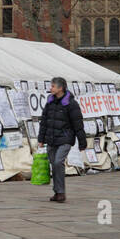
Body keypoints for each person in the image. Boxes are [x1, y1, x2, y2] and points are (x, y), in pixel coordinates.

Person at [37, 76, 87, 204]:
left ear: (61, 88)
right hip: (51, 138)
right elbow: (44, 122)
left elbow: (78, 124)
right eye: (51, 86)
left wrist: (82, 142)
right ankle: (58, 191)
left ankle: (60, 192)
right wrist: (41, 139)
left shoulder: (71, 104)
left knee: (58, 161)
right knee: (54, 163)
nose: (51, 88)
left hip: (65, 138)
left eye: (53, 86)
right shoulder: (50, 102)